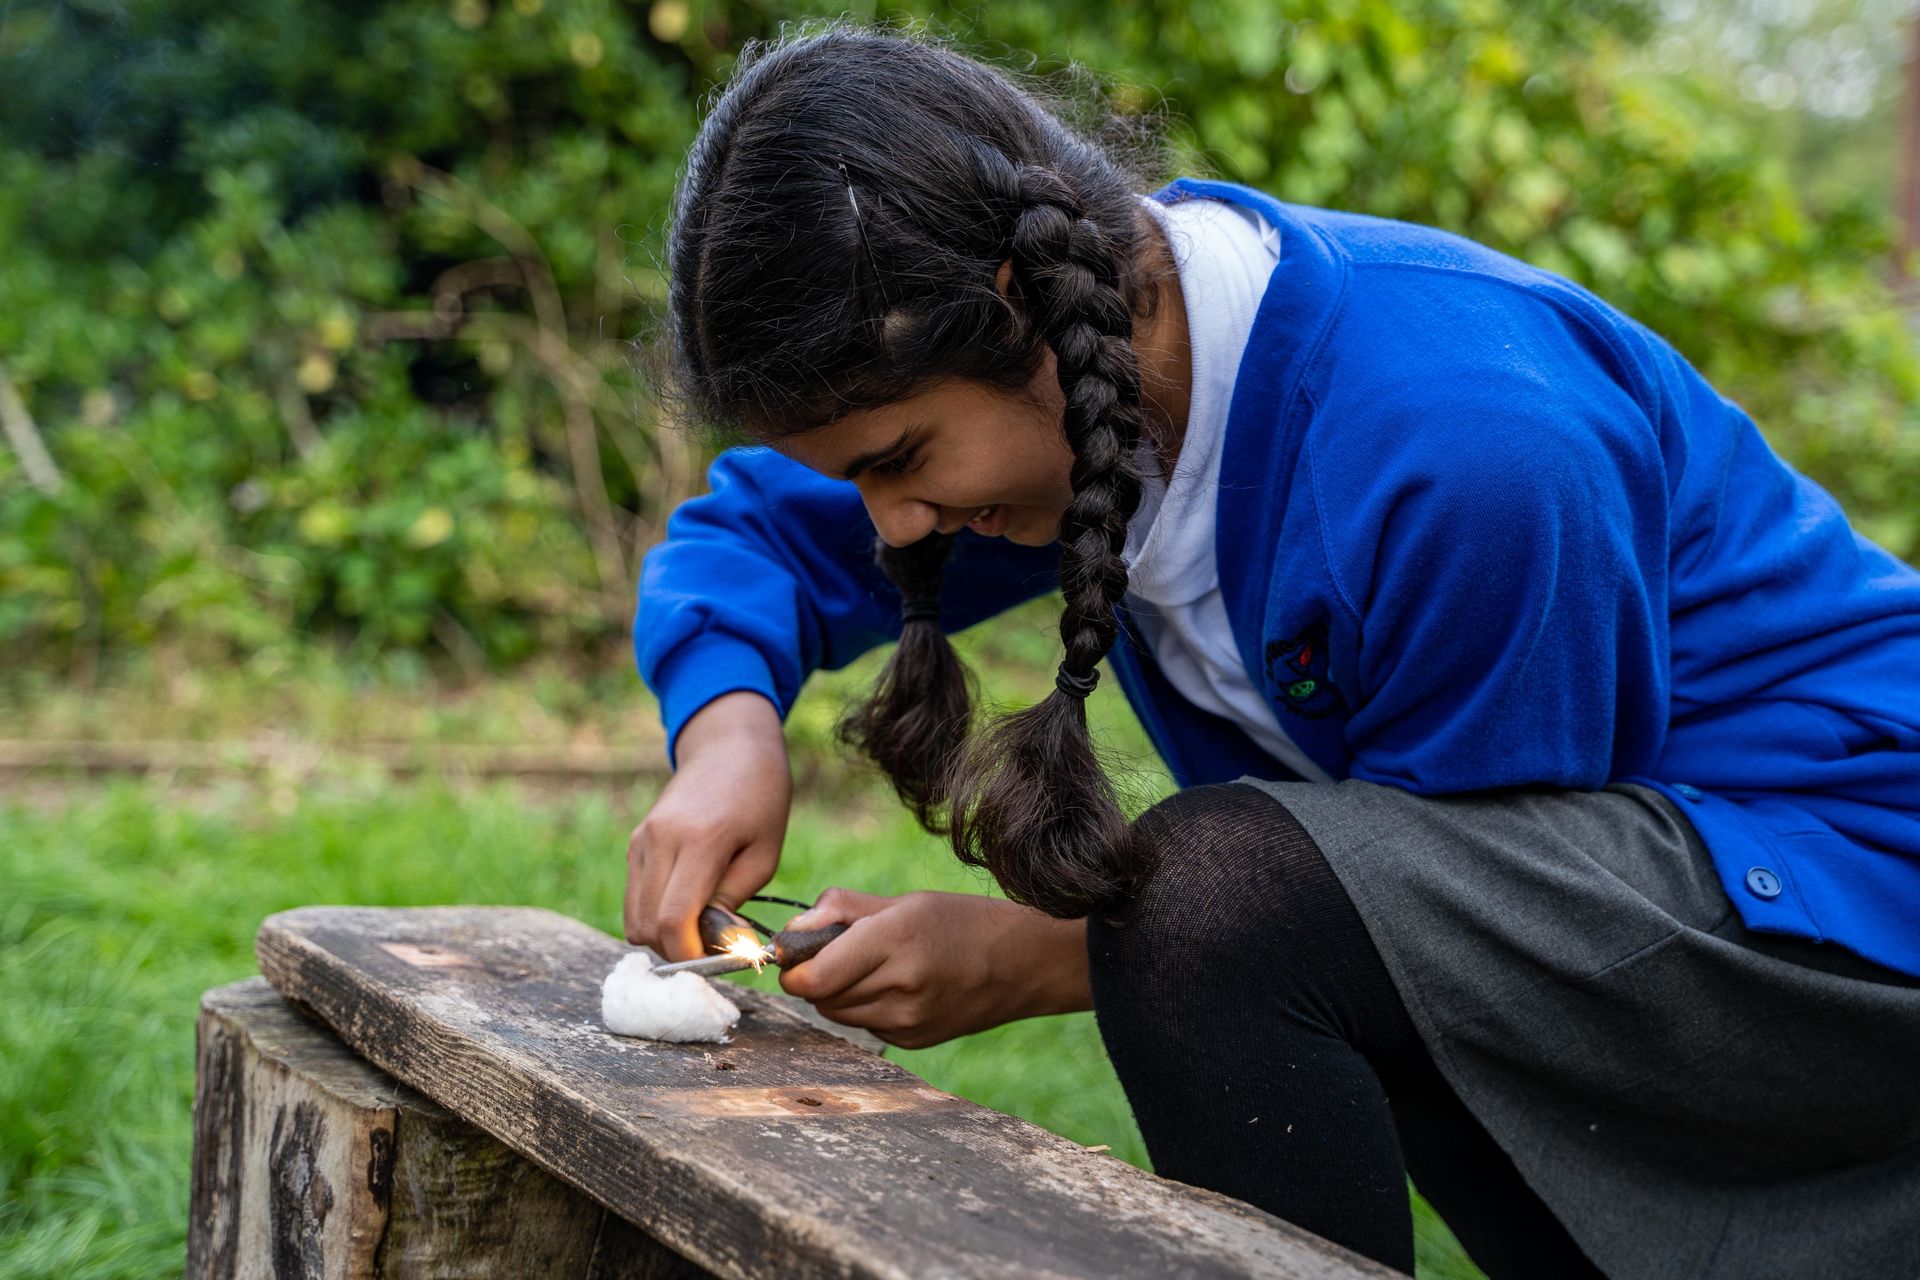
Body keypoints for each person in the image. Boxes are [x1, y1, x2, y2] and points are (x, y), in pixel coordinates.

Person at [623, 24, 1920, 1279]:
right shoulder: (1083, 400)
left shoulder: (1454, 448)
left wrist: (1035, 954)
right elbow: (752, 537)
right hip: (1674, 920)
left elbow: (1424, 924)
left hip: (1851, 919)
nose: (894, 525)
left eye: (902, 462)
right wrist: (728, 740)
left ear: (1016, 307)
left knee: (1204, 904)